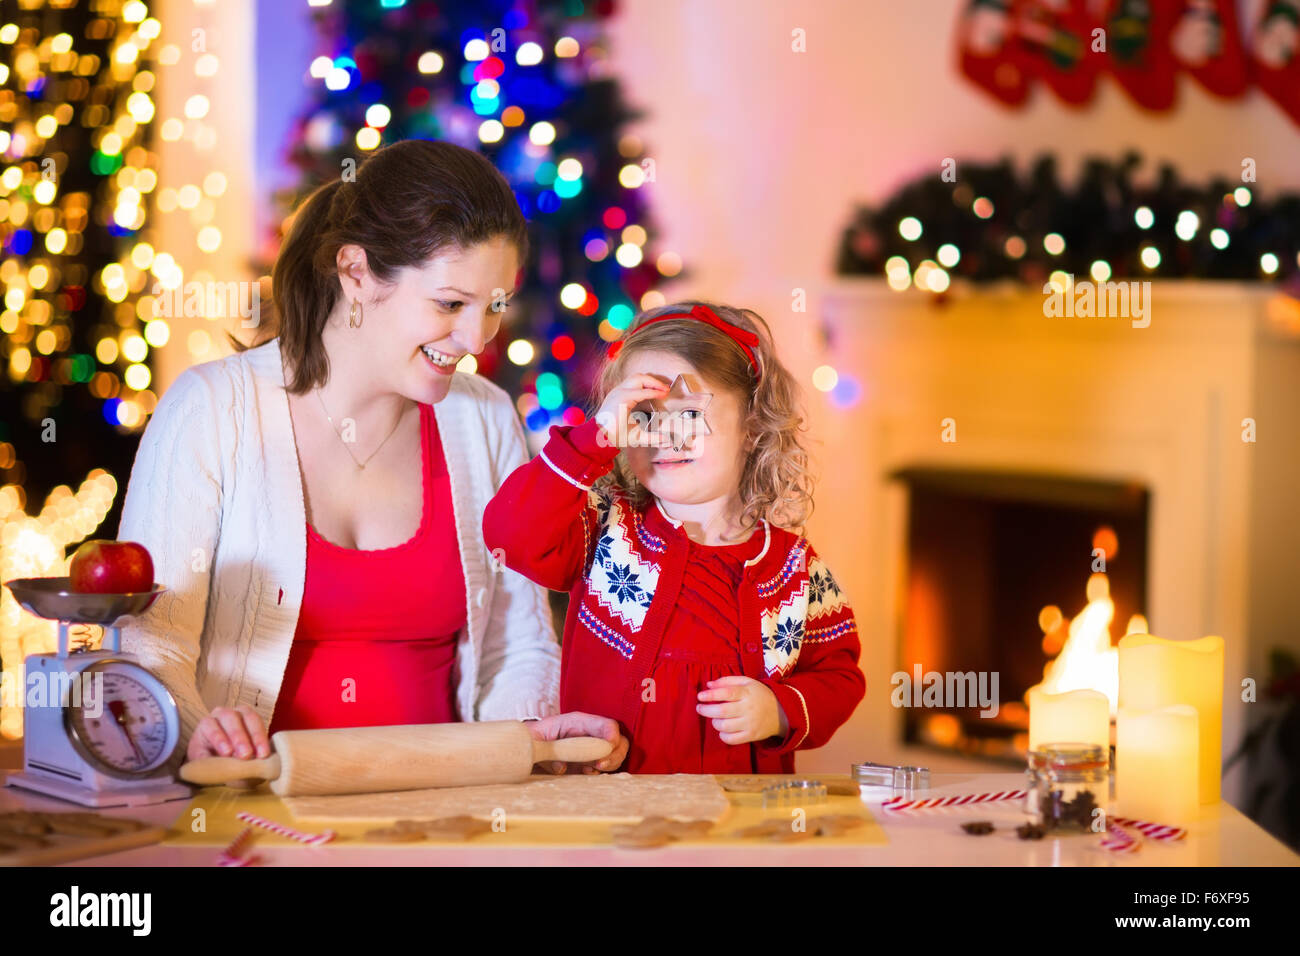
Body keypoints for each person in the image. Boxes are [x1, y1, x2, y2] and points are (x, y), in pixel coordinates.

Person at [118, 140, 627, 772]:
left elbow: (518, 644)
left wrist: (523, 741)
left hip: (444, 816)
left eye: (493, 306)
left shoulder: (483, 415)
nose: (476, 339)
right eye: (449, 304)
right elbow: (152, 638)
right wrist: (200, 732)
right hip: (255, 815)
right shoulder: (211, 410)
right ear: (356, 272)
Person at [482, 300, 864, 772]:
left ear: (751, 425)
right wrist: (594, 435)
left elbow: (839, 674)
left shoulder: (795, 569)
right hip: (615, 817)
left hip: (740, 827)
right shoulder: (605, 529)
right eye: (640, 416)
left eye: (687, 414)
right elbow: (510, 534)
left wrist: (780, 708)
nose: (663, 434)